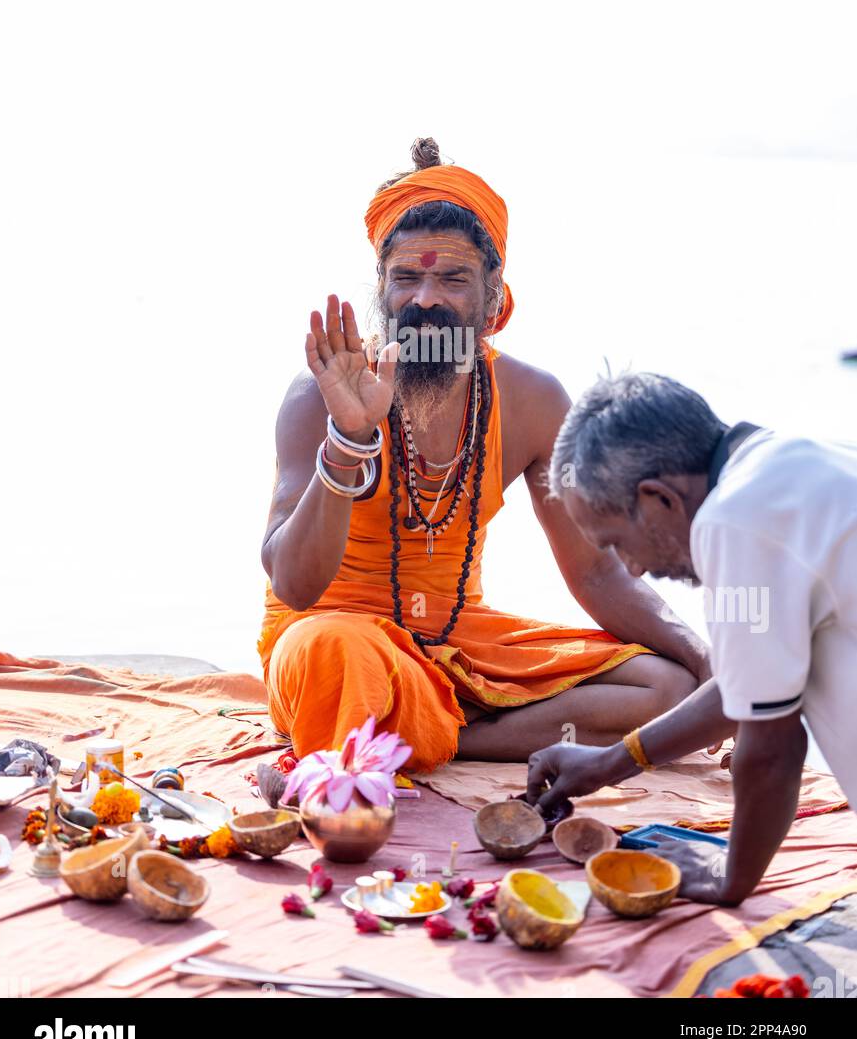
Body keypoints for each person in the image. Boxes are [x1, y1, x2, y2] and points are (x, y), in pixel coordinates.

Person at [258, 141, 706, 774]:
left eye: (453, 279)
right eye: (406, 278)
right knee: (340, 653)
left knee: (666, 688)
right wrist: (350, 437)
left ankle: (447, 737)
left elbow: (597, 572)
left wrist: (702, 655)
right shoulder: (324, 391)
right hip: (336, 638)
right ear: (381, 289)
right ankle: (429, 724)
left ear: (494, 294)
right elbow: (295, 585)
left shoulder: (532, 399)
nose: (426, 300)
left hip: (460, 641)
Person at [527, 371, 857, 905]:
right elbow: (741, 688)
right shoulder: (784, 464)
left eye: (618, 543)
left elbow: (772, 747)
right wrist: (612, 762)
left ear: (659, 499)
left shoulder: (734, 521)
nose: (632, 570)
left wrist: (731, 877)